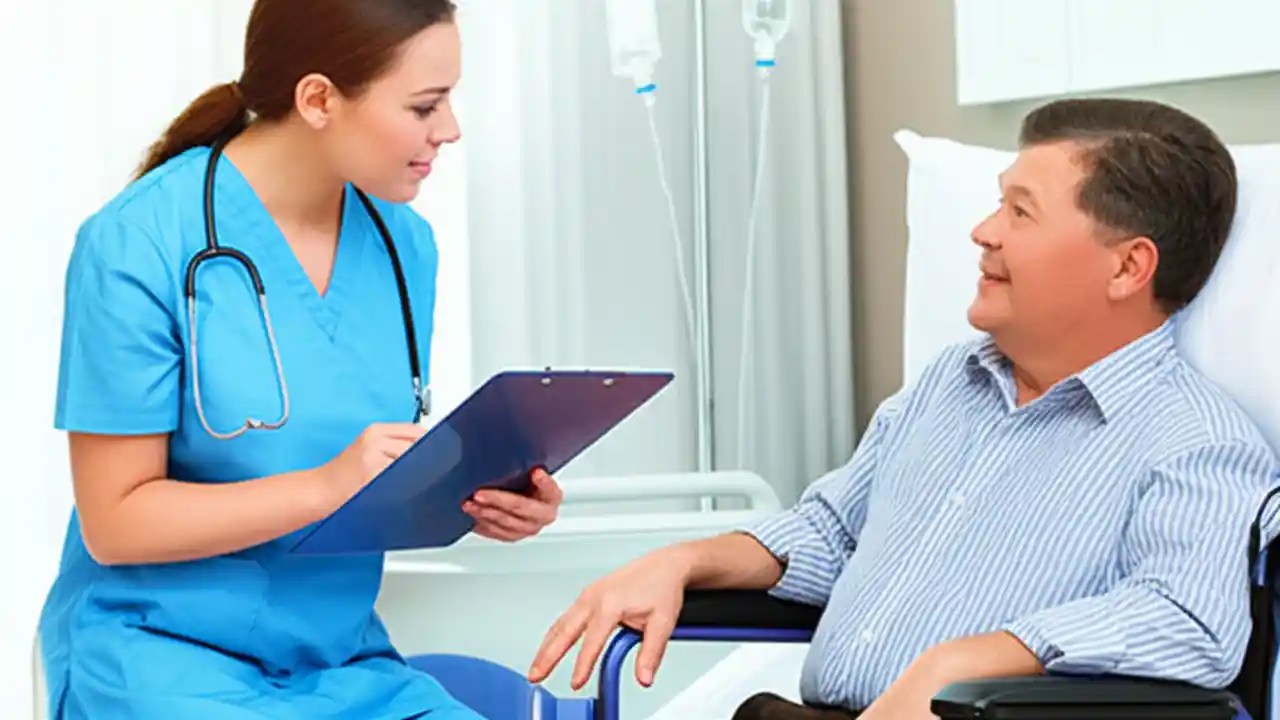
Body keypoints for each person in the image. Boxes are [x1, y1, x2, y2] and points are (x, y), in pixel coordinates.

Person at [528, 97, 1280, 719]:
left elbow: (1189, 623)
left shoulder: (1195, 440)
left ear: (1127, 265)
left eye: (1021, 212)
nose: (983, 233)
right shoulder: (949, 385)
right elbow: (828, 534)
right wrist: (683, 561)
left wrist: (966, 663)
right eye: (996, 204)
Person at [38, 1, 564, 718]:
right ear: (317, 99)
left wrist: (476, 496)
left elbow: (368, 480)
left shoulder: (404, 244)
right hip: (160, 660)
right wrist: (327, 485)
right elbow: (115, 521)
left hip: (342, 667)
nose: (449, 130)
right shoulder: (138, 243)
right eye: (423, 106)